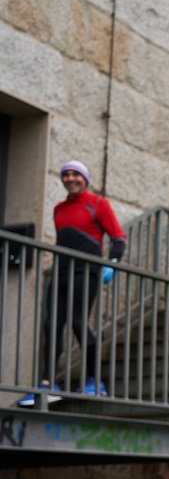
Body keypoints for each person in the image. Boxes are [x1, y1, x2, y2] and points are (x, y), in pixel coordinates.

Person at [18, 160, 126, 406]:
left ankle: (93, 382)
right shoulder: (58, 209)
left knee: (78, 322)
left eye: (75, 174)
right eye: (66, 174)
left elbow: (118, 238)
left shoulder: (98, 203)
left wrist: (112, 262)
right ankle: (47, 384)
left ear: (85, 179)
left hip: (86, 271)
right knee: (51, 324)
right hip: (61, 272)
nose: (70, 178)